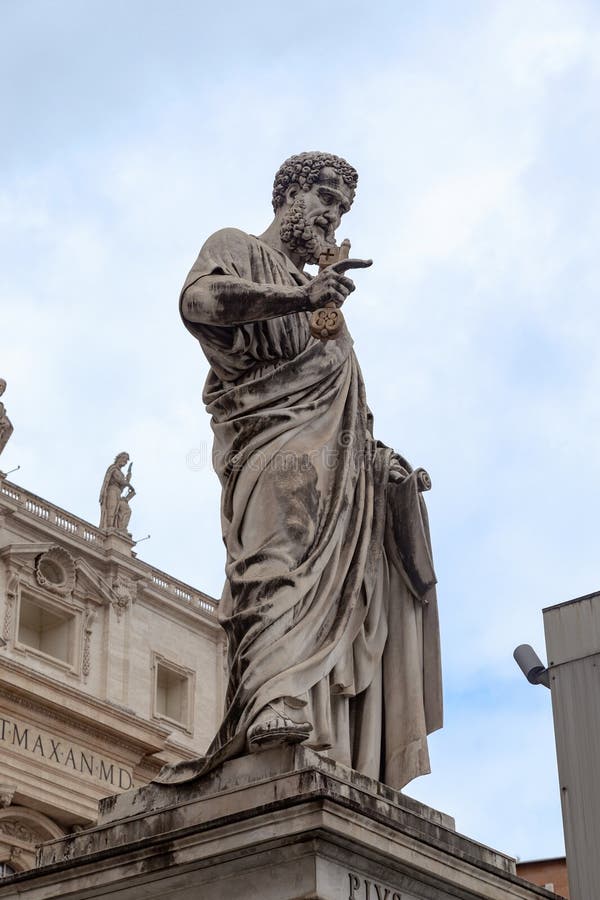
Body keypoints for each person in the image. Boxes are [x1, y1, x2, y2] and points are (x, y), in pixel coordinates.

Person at [157, 152, 442, 790]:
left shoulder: (327, 306)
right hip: (269, 444)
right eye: (324, 197)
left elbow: (346, 416)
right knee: (271, 562)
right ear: (288, 196)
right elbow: (198, 302)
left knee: (343, 586)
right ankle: (269, 701)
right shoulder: (236, 247)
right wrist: (298, 295)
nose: (332, 215)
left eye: (341, 207)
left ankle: (320, 730)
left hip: (338, 474)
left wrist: (382, 468)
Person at [99, 453, 133, 531]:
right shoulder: (113, 468)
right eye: (124, 459)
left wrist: (128, 479)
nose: (125, 462)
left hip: (118, 492)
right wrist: (128, 484)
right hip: (111, 490)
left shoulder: (121, 473)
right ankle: (109, 527)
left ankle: (119, 528)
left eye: (126, 461)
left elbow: (122, 486)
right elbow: (120, 480)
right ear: (119, 458)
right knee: (112, 508)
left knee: (121, 510)